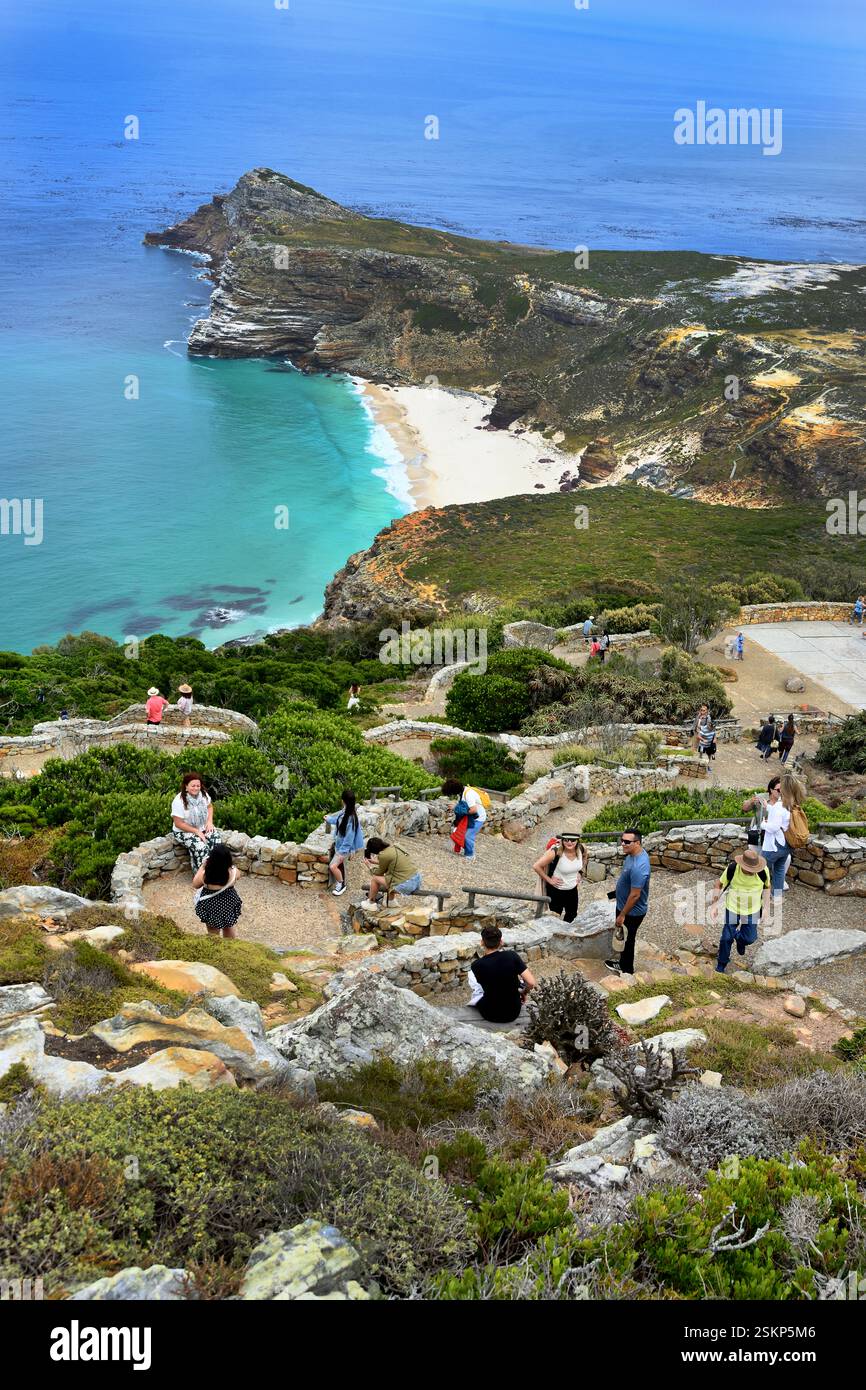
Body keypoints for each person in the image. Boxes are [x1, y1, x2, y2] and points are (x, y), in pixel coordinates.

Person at [710, 846, 770, 973]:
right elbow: (718, 884)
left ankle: (739, 939)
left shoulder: (763, 871)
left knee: (750, 938)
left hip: (752, 910)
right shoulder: (732, 869)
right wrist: (714, 905)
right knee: (726, 938)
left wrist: (766, 908)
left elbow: (767, 887)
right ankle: (721, 964)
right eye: (749, 869)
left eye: (754, 869)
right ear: (742, 865)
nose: (751, 871)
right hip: (733, 907)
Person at [467, 925, 537, 1024]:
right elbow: (531, 982)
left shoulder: (476, 965)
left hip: (489, 1013)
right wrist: (523, 992)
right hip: (513, 1012)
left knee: (478, 991)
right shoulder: (512, 956)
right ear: (501, 942)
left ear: (482, 942)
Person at [606, 828, 651, 976]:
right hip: (625, 906)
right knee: (625, 937)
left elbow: (635, 895)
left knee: (627, 939)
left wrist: (622, 915)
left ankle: (627, 969)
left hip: (631, 911)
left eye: (627, 842)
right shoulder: (633, 854)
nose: (622, 844)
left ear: (637, 843)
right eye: (622, 840)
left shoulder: (639, 866)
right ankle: (623, 963)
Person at [743, 775, 789, 900]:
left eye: (783, 790)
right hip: (760, 837)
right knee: (761, 862)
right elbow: (744, 808)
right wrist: (751, 802)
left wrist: (765, 823)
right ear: (770, 789)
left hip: (773, 839)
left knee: (761, 865)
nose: (781, 793)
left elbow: (775, 825)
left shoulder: (783, 802)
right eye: (779, 790)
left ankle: (755, 892)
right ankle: (775, 893)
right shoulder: (761, 797)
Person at [171, 771, 222, 872]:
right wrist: (196, 832)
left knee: (217, 844)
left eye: (198, 786)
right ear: (186, 786)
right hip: (184, 831)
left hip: (202, 826)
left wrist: (209, 822)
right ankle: (203, 876)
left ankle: (218, 873)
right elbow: (178, 823)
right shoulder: (178, 801)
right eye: (193, 786)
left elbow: (210, 806)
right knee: (201, 847)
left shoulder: (203, 795)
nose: (196, 788)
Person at [533, 833, 587, 923]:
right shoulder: (556, 852)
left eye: (572, 840)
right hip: (556, 891)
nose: (569, 842)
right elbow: (536, 866)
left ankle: (565, 933)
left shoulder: (581, 849)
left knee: (572, 915)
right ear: (562, 840)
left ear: (577, 841)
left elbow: (584, 858)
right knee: (555, 916)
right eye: (566, 840)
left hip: (572, 889)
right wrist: (549, 880)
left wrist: (580, 873)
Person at [192, 843, 242, 938]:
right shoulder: (233, 872)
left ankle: (216, 947)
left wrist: (203, 866)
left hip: (212, 905)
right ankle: (230, 946)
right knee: (229, 926)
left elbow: (195, 884)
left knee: (212, 930)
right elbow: (239, 876)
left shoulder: (206, 875)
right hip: (228, 902)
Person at [323, 789, 364, 896]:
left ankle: (341, 884)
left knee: (333, 866)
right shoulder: (346, 811)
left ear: (343, 801)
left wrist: (341, 853)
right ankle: (341, 881)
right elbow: (339, 820)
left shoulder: (351, 818)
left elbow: (349, 839)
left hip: (344, 848)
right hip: (340, 845)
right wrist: (330, 819)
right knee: (339, 866)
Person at [364, 836, 421, 904]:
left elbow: (379, 873)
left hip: (407, 885)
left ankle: (370, 903)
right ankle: (391, 902)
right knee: (391, 876)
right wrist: (376, 862)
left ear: (375, 850)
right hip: (417, 879)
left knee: (375, 879)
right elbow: (395, 863)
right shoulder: (396, 846)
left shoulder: (383, 855)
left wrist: (369, 866)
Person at [442, 778, 487, 858]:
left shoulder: (468, 794)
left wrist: (456, 808)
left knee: (468, 836)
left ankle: (470, 855)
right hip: (469, 818)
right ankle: (467, 852)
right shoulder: (462, 793)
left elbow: (473, 810)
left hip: (478, 818)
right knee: (461, 833)